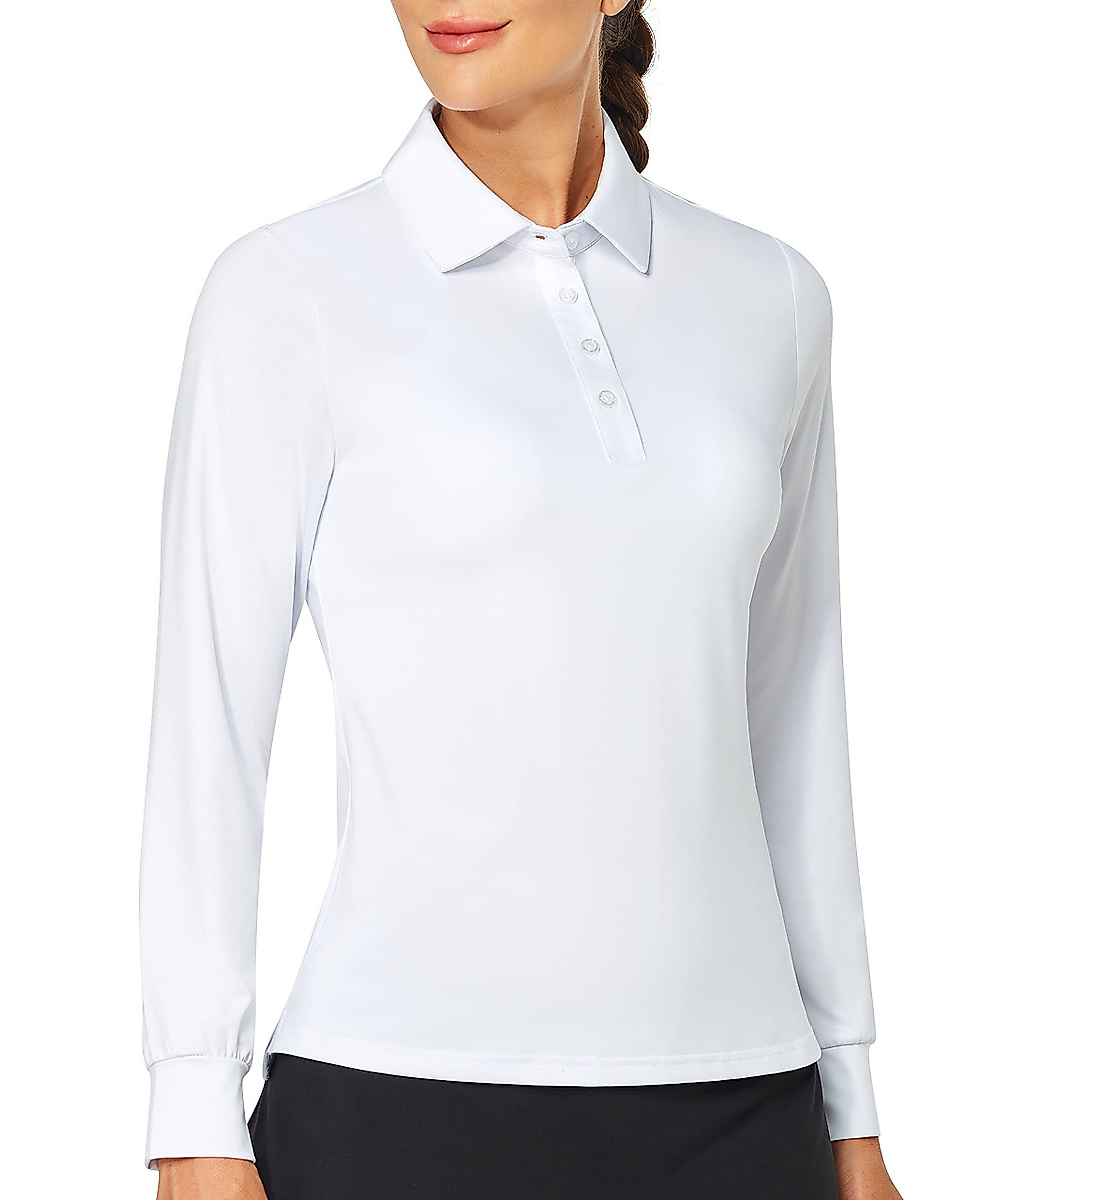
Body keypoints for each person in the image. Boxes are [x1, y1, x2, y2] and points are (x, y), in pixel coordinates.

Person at [138, 2, 904, 1197]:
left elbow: (795, 719)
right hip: (398, 1100)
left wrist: (850, 1102)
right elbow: (209, 724)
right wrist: (193, 1112)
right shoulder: (289, 289)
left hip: (747, 1107)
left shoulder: (773, 296)